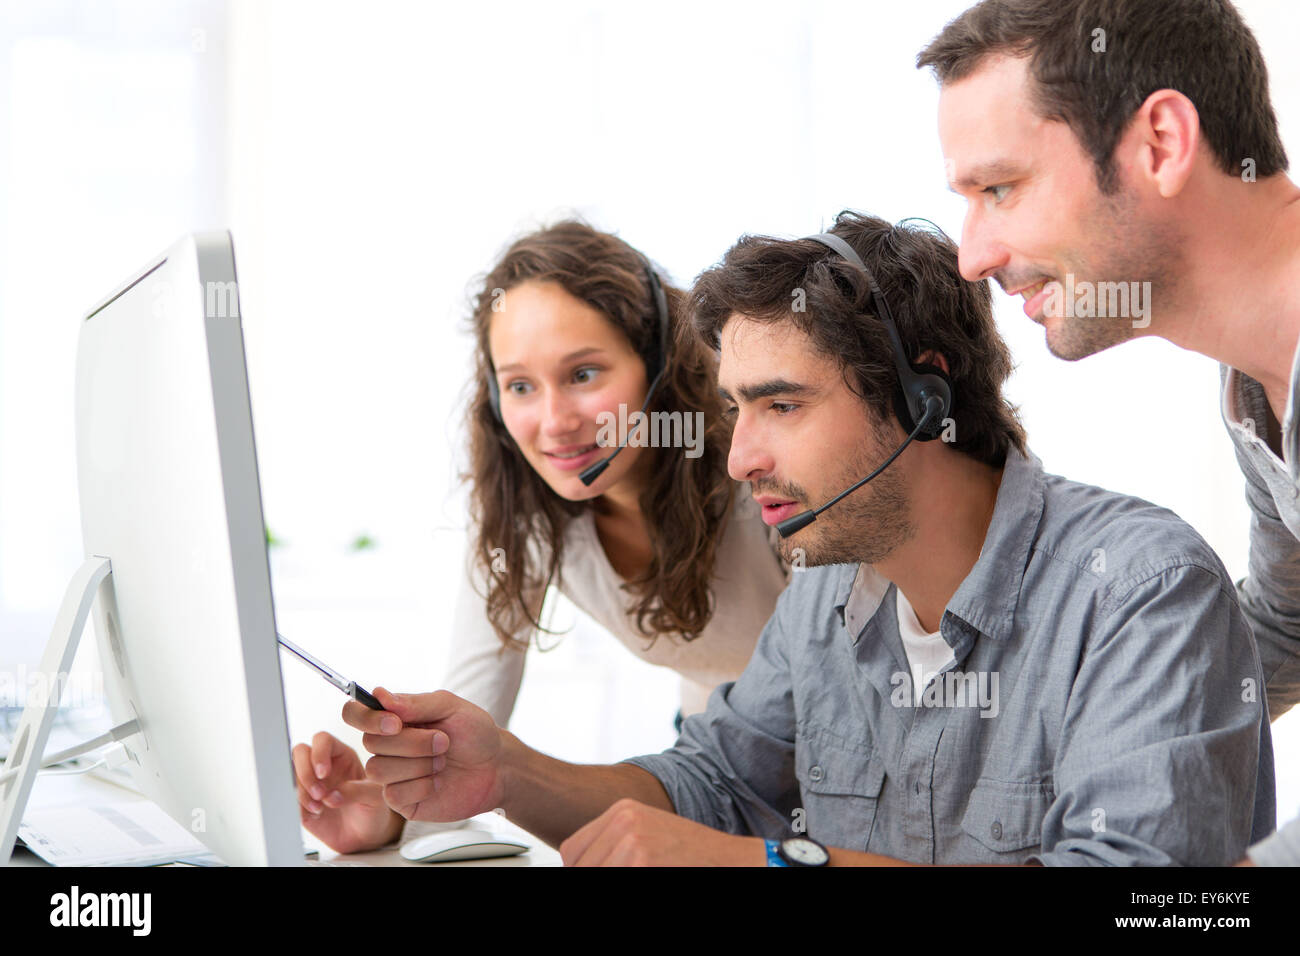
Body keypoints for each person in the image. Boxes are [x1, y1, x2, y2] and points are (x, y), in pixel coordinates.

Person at [342, 212, 1273, 865]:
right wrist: (503, 771)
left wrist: (771, 865)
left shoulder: (1142, 589)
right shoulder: (825, 595)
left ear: (923, 397)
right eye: (738, 410)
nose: (741, 459)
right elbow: (708, 785)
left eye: (781, 405)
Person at [917, 0, 1300, 866]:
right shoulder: (1255, 388)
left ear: (1161, 143)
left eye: (1000, 189)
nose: (972, 256)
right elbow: (1284, 627)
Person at [290, 221, 789, 854]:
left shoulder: (755, 470)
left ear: (659, 365)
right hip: (722, 770)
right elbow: (472, 718)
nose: (554, 422)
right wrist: (397, 810)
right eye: (521, 386)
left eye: (584, 375)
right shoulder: (520, 509)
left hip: (837, 764)